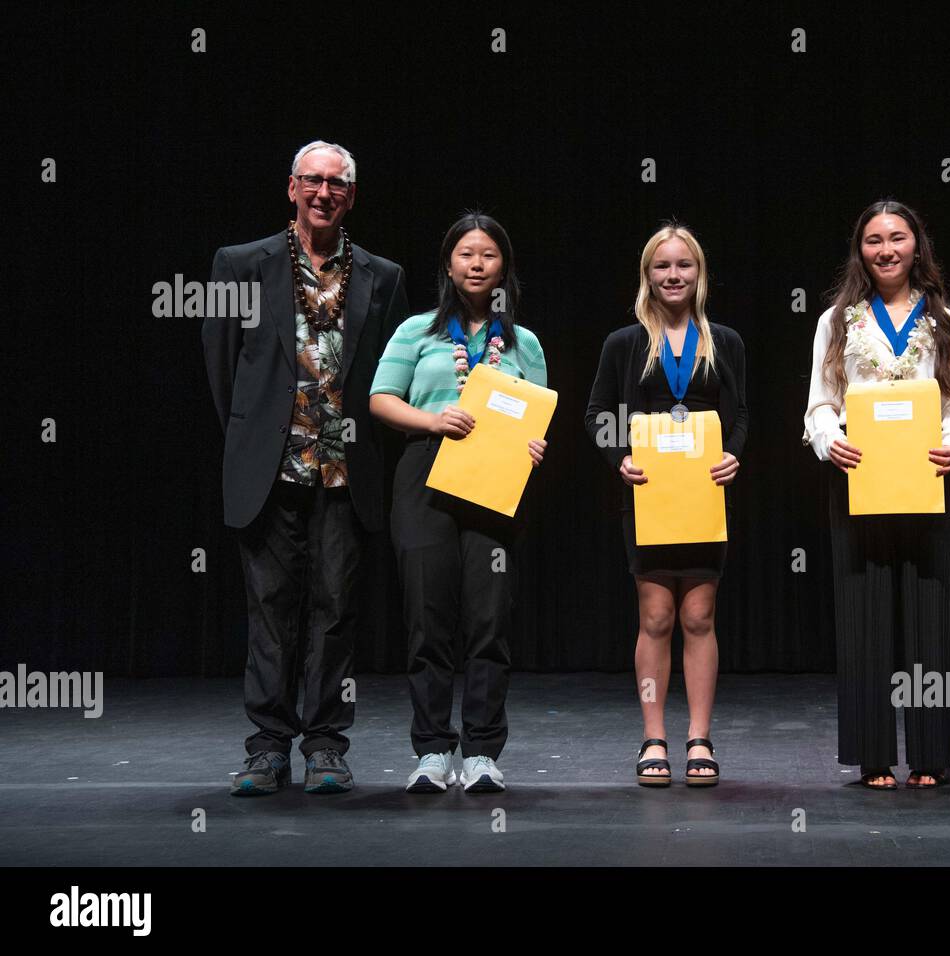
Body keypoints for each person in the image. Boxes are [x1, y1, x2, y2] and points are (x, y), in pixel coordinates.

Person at [202, 140, 410, 795]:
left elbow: (390, 374)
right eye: (313, 181)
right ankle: (267, 748)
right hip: (269, 468)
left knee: (337, 611)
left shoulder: (384, 276)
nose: (324, 193)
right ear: (291, 187)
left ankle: (325, 745)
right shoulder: (239, 265)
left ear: (351, 196)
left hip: (349, 474)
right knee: (269, 613)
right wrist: (254, 437)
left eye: (337, 185)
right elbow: (221, 367)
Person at [370, 213, 547, 794]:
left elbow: (536, 412)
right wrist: (432, 419)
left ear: (505, 267)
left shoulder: (523, 342)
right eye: (466, 254)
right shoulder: (418, 330)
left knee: (488, 619)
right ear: (448, 263)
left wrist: (535, 445)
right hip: (425, 471)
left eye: (489, 255)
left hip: (495, 480)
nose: (477, 264)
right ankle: (431, 751)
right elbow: (379, 400)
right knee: (427, 617)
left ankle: (482, 753)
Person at [803, 200, 950, 790]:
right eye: (873, 240)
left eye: (897, 238)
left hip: (926, 478)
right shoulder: (837, 320)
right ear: (860, 250)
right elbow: (820, 403)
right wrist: (831, 441)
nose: (886, 250)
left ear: (916, 246)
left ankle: (931, 754)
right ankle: (872, 754)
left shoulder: (944, 319)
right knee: (863, 615)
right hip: (859, 479)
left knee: (930, 613)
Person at [584, 224, 747, 787]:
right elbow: (597, 412)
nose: (673, 276)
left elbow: (740, 414)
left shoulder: (724, 340)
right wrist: (618, 459)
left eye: (684, 266)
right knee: (655, 617)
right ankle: (654, 737)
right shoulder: (624, 343)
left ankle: (699, 737)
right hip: (649, 495)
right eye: (662, 267)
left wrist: (732, 455)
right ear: (647, 276)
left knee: (700, 616)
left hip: (704, 496)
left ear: (699, 274)